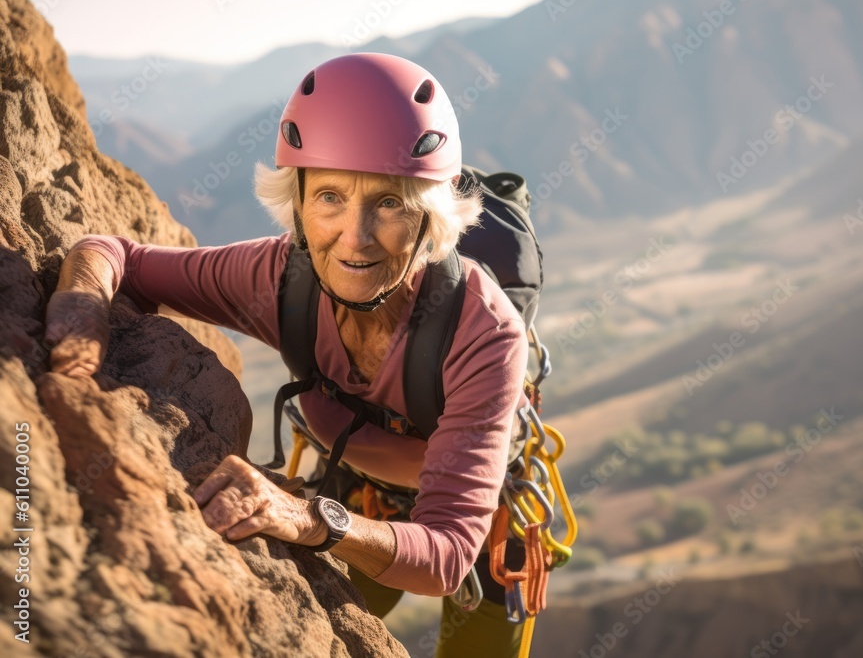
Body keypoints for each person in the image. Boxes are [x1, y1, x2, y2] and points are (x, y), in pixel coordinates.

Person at [44, 53, 530, 657]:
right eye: (329, 196)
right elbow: (113, 254)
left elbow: (447, 555)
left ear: (428, 216)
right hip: (356, 492)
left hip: (482, 533)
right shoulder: (279, 278)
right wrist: (81, 311)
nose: (354, 237)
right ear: (296, 202)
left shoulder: (482, 334)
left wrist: (305, 516)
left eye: (388, 202)